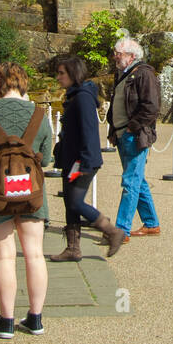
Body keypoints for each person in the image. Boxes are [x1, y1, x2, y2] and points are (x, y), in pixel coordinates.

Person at [0, 62, 54, 337]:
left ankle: (6, 321)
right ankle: (35, 318)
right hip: (31, 192)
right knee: (34, 253)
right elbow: (48, 158)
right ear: (23, 83)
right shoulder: (40, 114)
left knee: (5, 256)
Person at [49, 55, 125, 261]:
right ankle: (73, 249)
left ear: (73, 74)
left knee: (75, 202)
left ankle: (111, 230)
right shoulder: (74, 95)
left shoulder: (82, 97)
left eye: (62, 73)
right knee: (69, 202)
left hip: (82, 162)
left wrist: (84, 162)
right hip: (71, 160)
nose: (58, 77)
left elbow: (90, 132)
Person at [107, 37, 161, 238]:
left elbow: (151, 107)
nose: (115, 56)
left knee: (130, 181)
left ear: (131, 56)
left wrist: (132, 127)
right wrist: (115, 131)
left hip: (135, 136)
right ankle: (151, 223)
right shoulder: (124, 74)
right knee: (138, 180)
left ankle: (121, 230)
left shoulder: (144, 74)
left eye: (118, 53)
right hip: (123, 135)